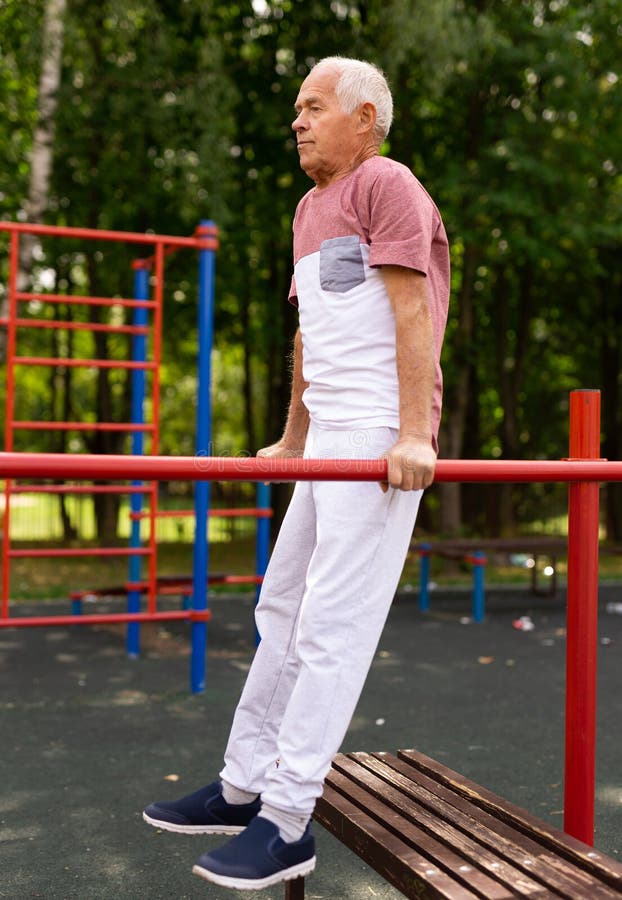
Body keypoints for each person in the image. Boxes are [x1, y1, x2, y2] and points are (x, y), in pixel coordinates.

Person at [143, 56, 450, 891]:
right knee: (280, 605)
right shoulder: (310, 208)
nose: (297, 121)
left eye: (313, 107)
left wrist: (414, 434)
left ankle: (287, 819)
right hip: (326, 437)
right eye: (297, 108)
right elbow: (313, 332)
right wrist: (290, 438)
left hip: (377, 433)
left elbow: (413, 310)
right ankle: (243, 787)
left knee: (330, 625)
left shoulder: (387, 184)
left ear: (364, 117)